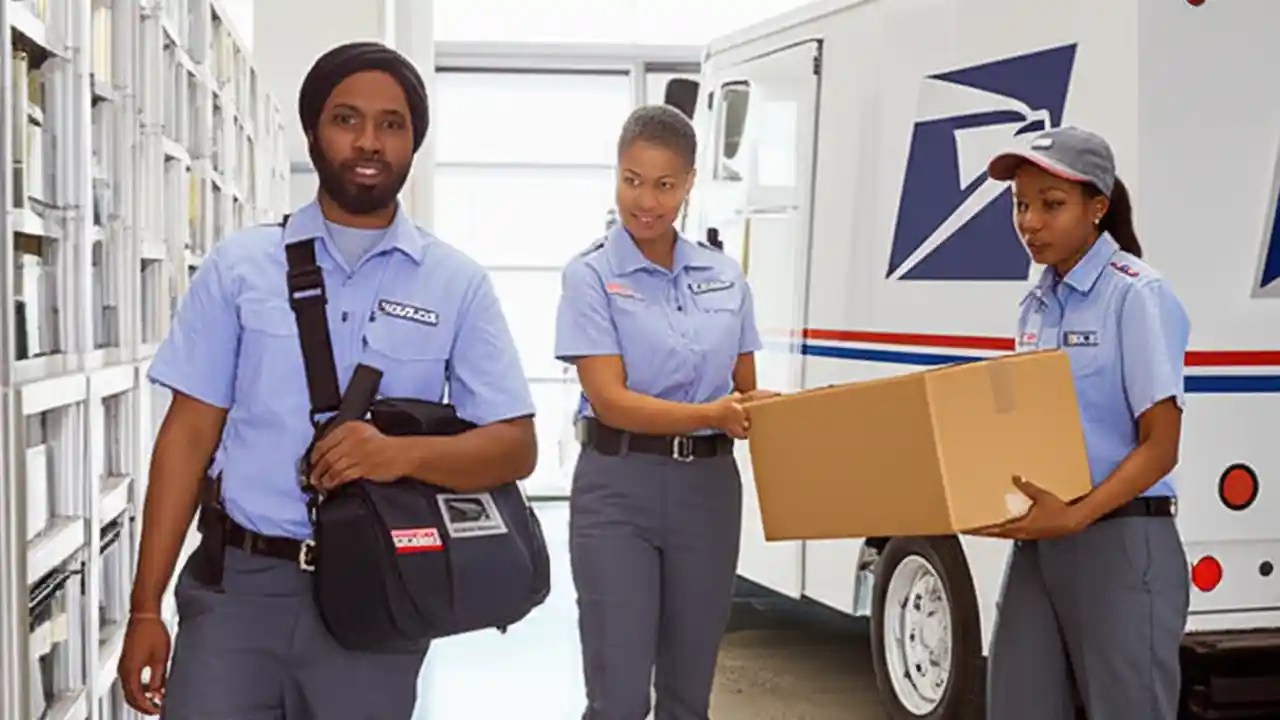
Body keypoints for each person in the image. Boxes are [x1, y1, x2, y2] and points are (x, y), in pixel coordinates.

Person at [117, 41, 536, 719]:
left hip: (381, 594)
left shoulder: (456, 284)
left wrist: (400, 454)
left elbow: (515, 447)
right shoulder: (239, 268)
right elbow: (186, 440)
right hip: (236, 595)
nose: (369, 141)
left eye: (392, 124)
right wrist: (145, 607)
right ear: (313, 130)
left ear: (412, 143)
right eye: (347, 119)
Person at [554, 103, 774, 720]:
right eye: (631, 179)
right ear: (617, 173)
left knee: (687, 696)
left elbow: (746, 392)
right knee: (619, 698)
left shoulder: (726, 277)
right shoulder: (591, 277)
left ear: (689, 183)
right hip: (617, 489)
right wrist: (714, 411)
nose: (645, 200)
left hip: (708, 492)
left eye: (664, 184)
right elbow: (612, 401)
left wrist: (773, 414)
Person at [979, 126, 1191, 719]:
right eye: (1021, 205)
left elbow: (1161, 445)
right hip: (1044, 540)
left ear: (1097, 208)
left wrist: (1075, 516)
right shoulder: (1037, 301)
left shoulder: (1136, 295)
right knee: (1019, 706)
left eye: (1052, 205)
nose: (1031, 223)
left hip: (1121, 541)